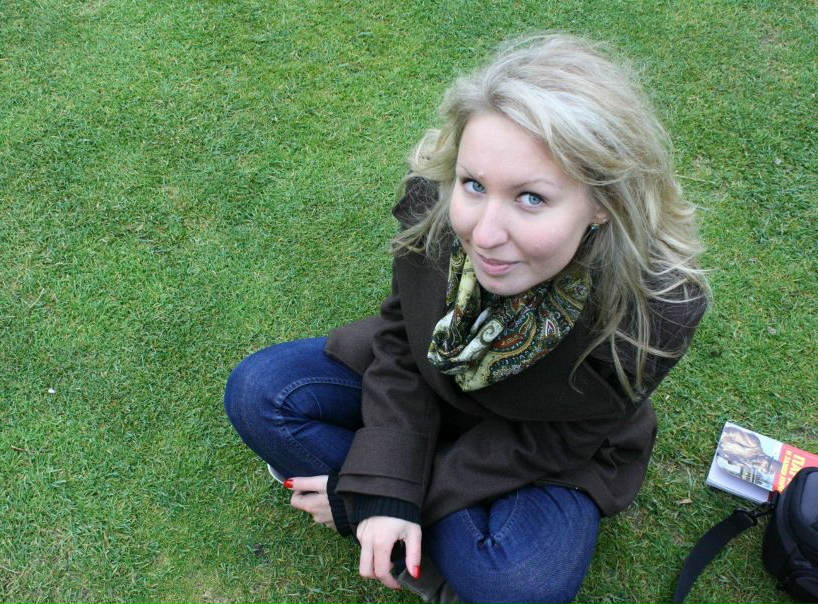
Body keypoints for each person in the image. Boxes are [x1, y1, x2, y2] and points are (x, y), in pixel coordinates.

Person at [224, 33, 709, 604]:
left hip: (537, 449)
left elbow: (566, 436)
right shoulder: (432, 208)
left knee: (520, 586)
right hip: (435, 389)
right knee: (259, 392)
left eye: (531, 198)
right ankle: (404, 516)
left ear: (602, 202)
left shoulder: (655, 306)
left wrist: (381, 490)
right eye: (474, 184)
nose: (484, 233)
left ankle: (382, 512)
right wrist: (386, 483)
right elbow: (403, 340)